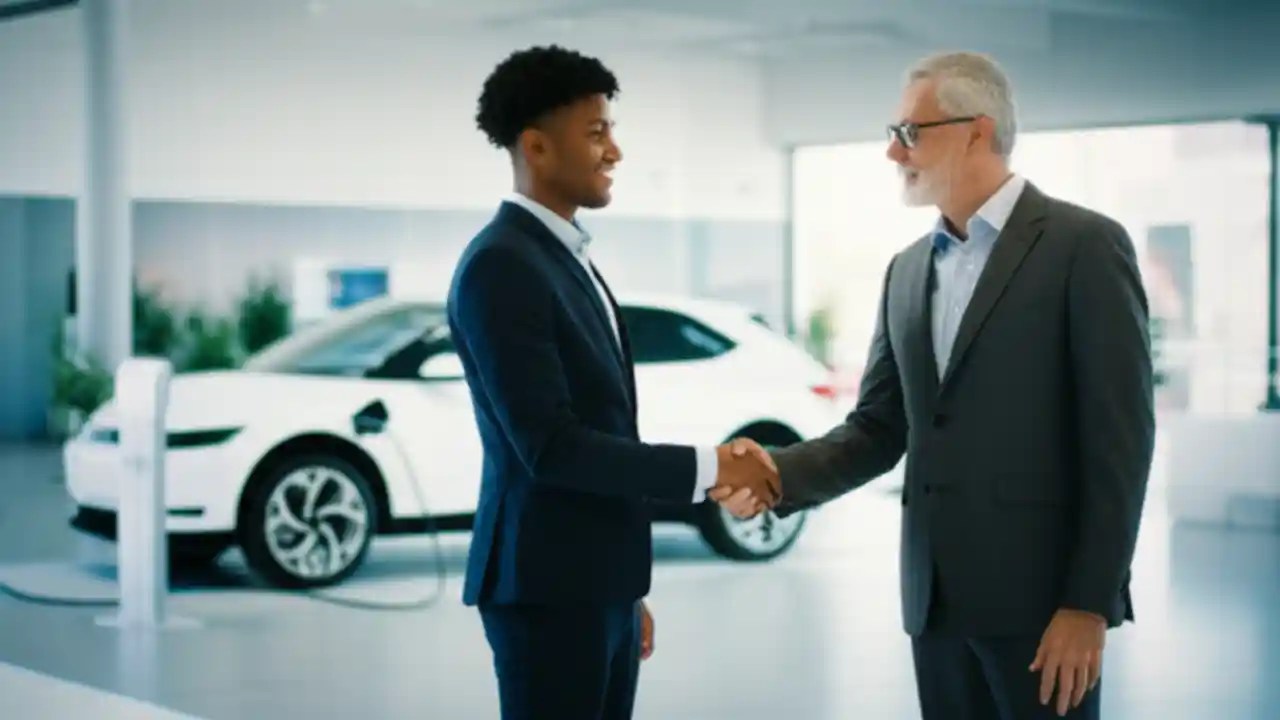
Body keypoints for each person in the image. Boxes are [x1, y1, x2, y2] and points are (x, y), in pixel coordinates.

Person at [716, 51, 1155, 719]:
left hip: (1044, 610)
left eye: (909, 133)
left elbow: (1119, 445)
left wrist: (1088, 604)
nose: (895, 154)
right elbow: (878, 428)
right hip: (935, 604)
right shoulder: (906, 271)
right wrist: (778, 474)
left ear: (977, 130)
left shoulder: (1083, 246)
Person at [447, 45, 779, 720]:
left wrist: (623, 590)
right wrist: (708, 467)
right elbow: (552, 446)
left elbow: (603, 428)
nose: (615, 152)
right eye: (597, 132)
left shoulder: (564, 257)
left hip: (593, 583)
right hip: (544, 588)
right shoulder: (502, 265)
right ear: (537, 147)